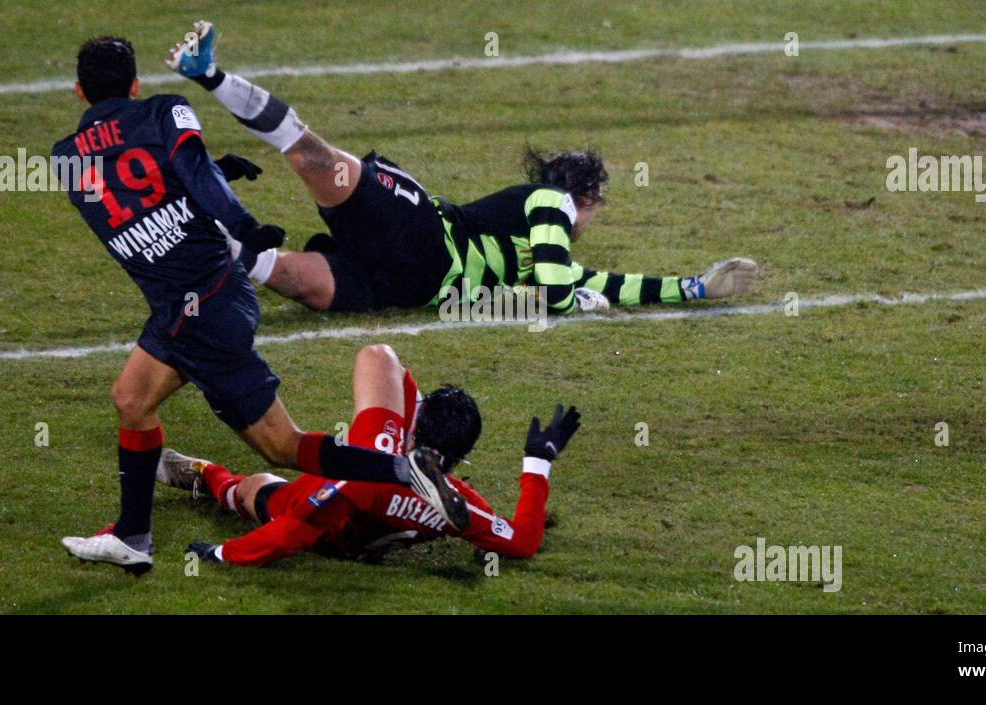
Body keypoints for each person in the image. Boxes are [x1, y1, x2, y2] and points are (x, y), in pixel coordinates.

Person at [51, 37, 467, 574]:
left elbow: (133, 190)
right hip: (200, 298)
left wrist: (215, 183)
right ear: (134, 84)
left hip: (200, 306)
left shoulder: (65, 157)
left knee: (281, 446)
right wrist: (240, 219)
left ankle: (406, 473)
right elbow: (187, 170)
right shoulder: (165, 110)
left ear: (79, 91)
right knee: (131, 398)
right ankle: (132, 537)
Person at [165, 21, 762, 315]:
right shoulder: (549, 204)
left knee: (293, 279)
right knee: (314, 155)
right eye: (594, 211)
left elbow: (600, 283)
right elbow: (561, 290)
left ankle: (198, 226)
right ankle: (209, 74)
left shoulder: (544, 249)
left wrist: (693, 287)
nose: (589, 223)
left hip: (409, 288)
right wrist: (568, 300)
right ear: (583, 197)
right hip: (422, 233)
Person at [158, 344, 579, 566]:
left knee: (253, 489)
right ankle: (422, 460)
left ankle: (207, 475)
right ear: (464, 453)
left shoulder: (372, 451)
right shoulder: (461, 506)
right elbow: (522, 541)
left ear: (413, 429)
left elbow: (292, 531)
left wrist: (222, 553)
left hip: (322, 504)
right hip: (381, 515)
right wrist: (537, 459)